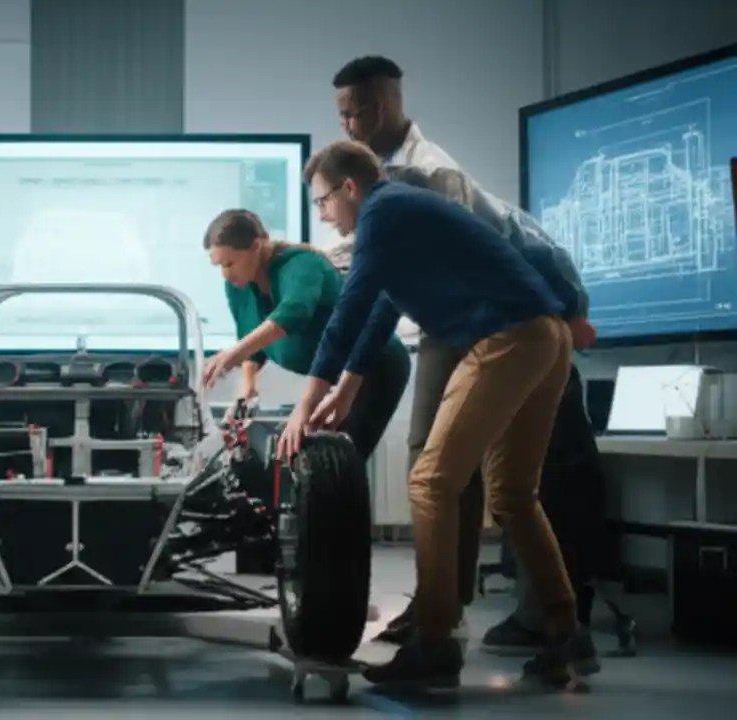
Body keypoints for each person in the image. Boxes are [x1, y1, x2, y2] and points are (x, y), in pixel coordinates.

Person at [282, 140, 598, 688]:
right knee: (512, 494)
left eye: (323, 201)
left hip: (508, 337)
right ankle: (566, 631)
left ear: (349, 187)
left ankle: (434, 642)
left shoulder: (382, 212)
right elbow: (383, 306)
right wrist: (348, 387)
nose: (324, 214)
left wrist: (304, 404)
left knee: (431, 481)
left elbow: (352, 307)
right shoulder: (400, 213)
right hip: (547, 338)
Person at [330, 54, 614, 653]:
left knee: (435, 471)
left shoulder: (426, 174)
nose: (346, 127)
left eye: (352, 114)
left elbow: (442, 272)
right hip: (503, 319)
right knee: (475, 476)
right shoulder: (382, 180)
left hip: (485, 322)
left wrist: (336, 380)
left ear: (381, 106)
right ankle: (471, 610)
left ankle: (441, 625)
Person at [200, 208, 410, 464]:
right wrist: (247, 390)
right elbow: (252, 342)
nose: (225, 273)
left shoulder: (301, 263)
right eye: (219, 266)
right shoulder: (238, 286)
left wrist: (233, 353)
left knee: (337, 462)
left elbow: (295, 312)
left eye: (229, 263)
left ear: (256, 246)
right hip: (330, 377)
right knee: (315, 464)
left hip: (374, 364)